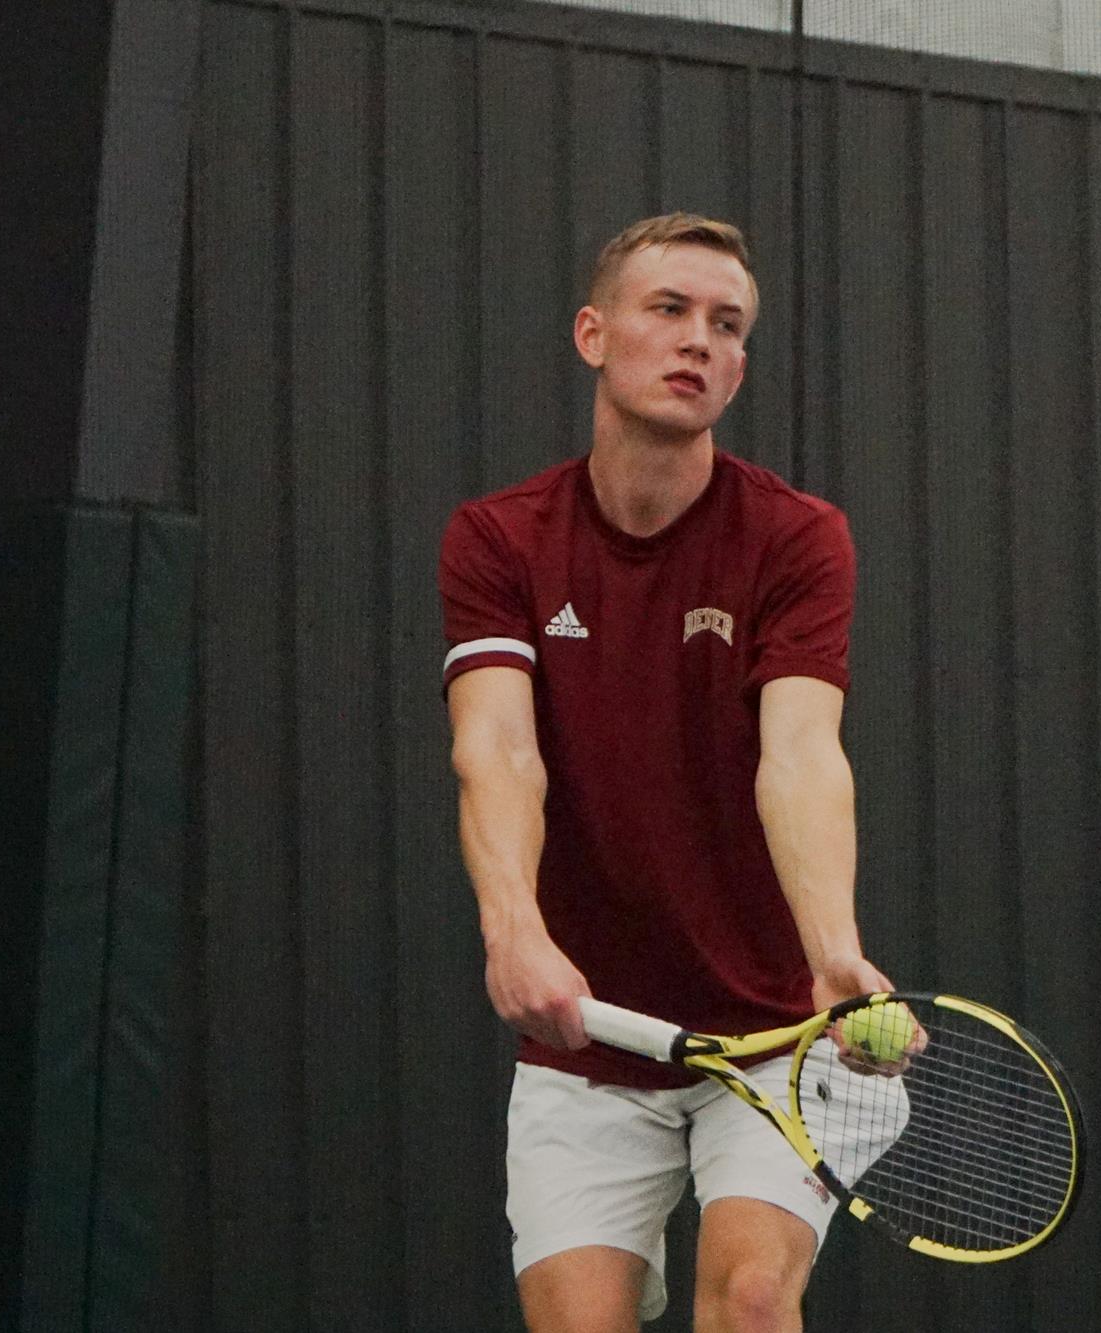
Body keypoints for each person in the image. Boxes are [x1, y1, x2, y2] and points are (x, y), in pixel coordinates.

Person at [438, 212, 893, 1332]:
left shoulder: (795, 538)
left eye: (725, 325)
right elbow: (496, 748)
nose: (698, 340)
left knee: (745, 1298)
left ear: (739, 367)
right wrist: (512, 927)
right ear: (594, 335)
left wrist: (832, 951)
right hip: (589, 1039)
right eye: (669, 310)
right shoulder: (499, 540)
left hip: (782, 1032)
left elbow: (798, 757)